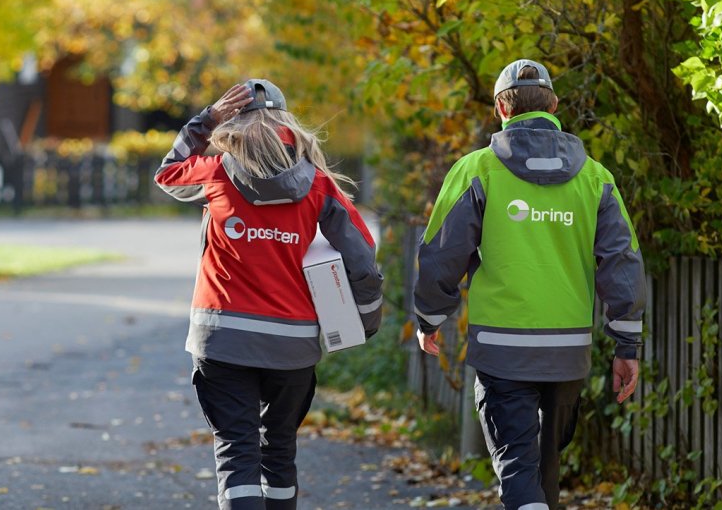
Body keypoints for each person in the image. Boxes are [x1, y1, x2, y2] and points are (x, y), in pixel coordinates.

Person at [413, 60, 646, 510]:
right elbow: (622, 262)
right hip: (568, 352)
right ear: (553, 106)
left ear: (502, 108)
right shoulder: (595, 178)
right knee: (545, 469)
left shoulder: (477, 170)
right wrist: (627, 345)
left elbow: (441, 253)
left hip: (502, 351)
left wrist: (429, 317)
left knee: (519, 470)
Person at [155, 80, 384, 510]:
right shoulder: (318, 185)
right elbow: (363, 263)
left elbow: (168, 174)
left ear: (235, 124)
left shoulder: (216, 173)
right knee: (279, 450)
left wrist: (207, 120)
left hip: (221, 339)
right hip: (292, 347)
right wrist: (366, 322)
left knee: (237, 452)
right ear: (287, 124)